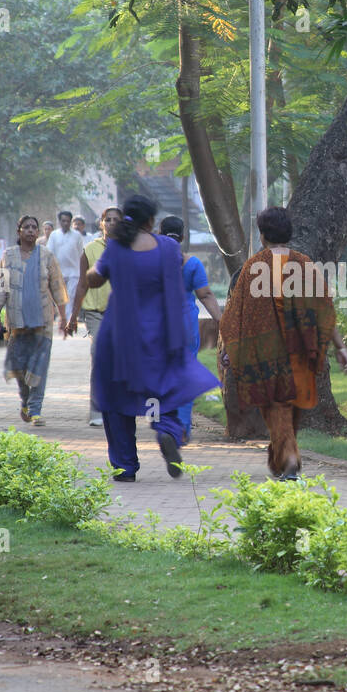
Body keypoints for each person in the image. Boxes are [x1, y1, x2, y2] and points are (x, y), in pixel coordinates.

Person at [66, 195, 218, 482]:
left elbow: (94, 279)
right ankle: (167, 431)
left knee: (117, 398)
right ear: (151, 221)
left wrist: (93, 269)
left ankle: (125, 466)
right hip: (159, 333)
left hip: (120, 333)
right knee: (161, 390)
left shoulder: (116, 248)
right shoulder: (168, 247)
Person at [220, 206, 347, 480]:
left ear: (262, 235)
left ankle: (290, 460)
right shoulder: (305, 265)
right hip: (301, 354)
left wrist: (230, 350)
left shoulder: (254, 268)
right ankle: (280, 460)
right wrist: (340, 346)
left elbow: (236, 315)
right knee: (289, 409)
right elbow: (323, 311)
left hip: (266, 354)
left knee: (277, 407)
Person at [0, 215, 68, 427]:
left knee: (39, 366)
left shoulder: (47, 256)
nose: (31, 231)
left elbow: (57, 287)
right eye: (27, 227)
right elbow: (2, 288)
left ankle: (35, 410)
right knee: (20, 368)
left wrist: (63, 316)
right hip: (16, 322)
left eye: (34, 227)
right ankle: (25, 399)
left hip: (42, 321)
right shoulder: (9, 256)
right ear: (19, 232)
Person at [159, 216, 224, 444]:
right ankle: (182, 426)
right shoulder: (192, 263)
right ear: (183, 236)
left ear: (159, 234)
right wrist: (222, 323)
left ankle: (164, 425)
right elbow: (205, 295)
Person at [72, 206, 121, 426]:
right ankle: (96, 411)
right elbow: (82, 284)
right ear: (101, 223)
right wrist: (73, 317)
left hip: (122, 315)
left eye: (115, 219)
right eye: (107, 219)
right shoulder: (90, 249)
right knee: (98, 355)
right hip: (95, 313)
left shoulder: (129, 249)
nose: (111, 223)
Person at [47, 210, 86, 323]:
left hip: (74, 272)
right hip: (58, 272)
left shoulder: (77, 235)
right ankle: (63, 316)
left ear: (70, 222)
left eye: (68, 221)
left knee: (71, 296)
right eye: (63, 221)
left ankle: (68, 319)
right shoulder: (54, 235)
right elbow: (50, 253)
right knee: (60, 297)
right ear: (59, 222)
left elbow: (80, 254)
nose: (65, 223)